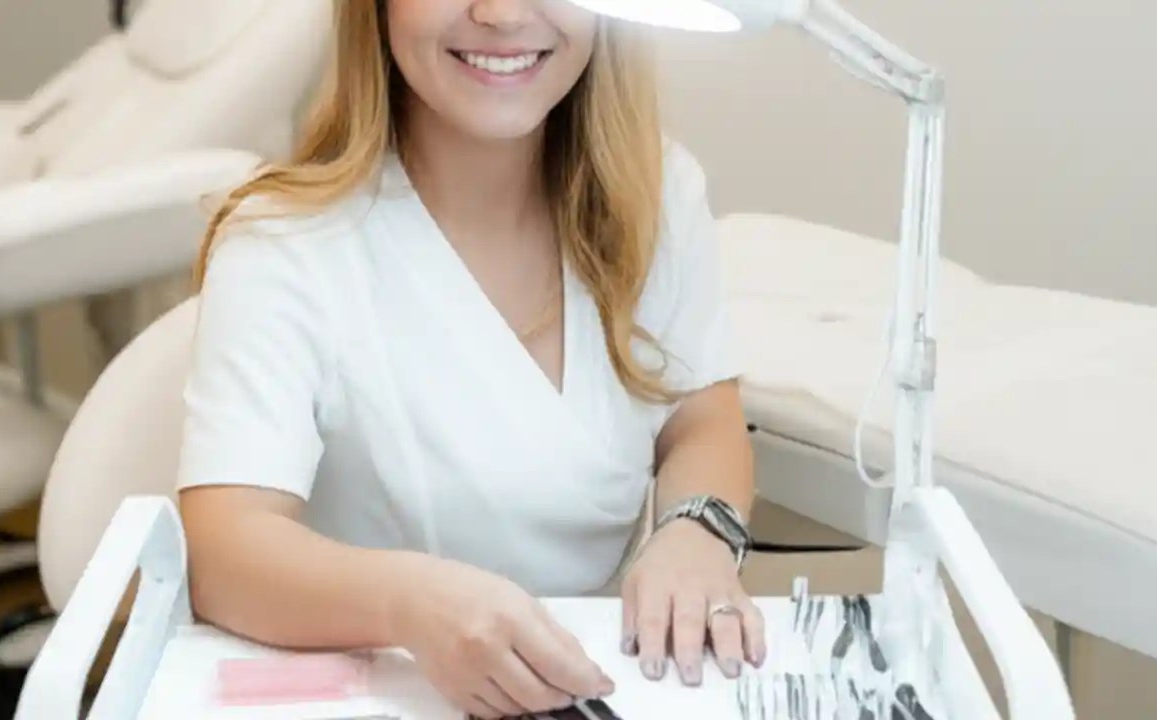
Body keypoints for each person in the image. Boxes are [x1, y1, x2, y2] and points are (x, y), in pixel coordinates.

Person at [177, 1, 764, 718]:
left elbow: (702, 416)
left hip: (590, 684)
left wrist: (698, 530)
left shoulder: (657, 196)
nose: (502, 14)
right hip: (382, 693)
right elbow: (224, 554)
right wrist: (410, 605)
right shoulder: (283, 245)